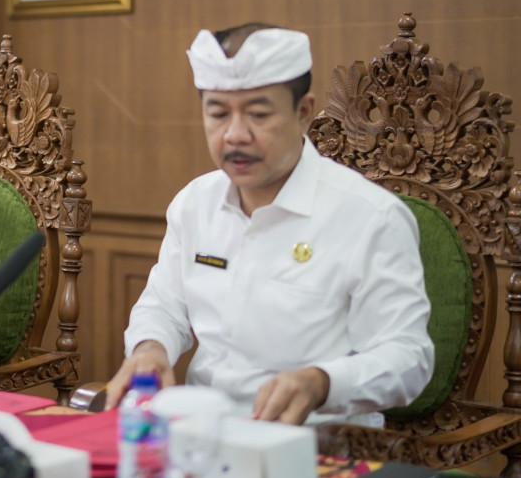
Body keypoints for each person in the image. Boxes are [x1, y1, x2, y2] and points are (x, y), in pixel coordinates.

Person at [105, 24, 435, 426]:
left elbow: (409, 357)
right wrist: (150, 348)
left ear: (302, 112)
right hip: (200, 435)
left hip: (319, 447)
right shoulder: (195, 203)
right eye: (218, 113)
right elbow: (163, 307)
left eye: (258, 114)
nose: (235, 134)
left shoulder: (370, 217)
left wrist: (323, 383)